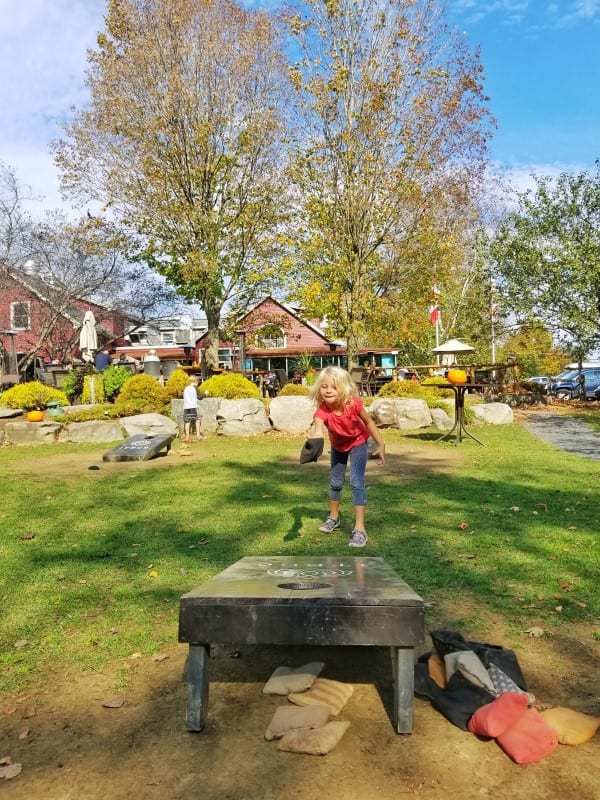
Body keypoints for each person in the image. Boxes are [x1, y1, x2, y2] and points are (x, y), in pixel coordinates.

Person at [309, 366, 385, 548]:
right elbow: (318, 428)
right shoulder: (322, 411)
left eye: (334, 387)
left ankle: (359, 529)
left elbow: (368, 422)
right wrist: (315, 439)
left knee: (356, 482)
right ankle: (334, 518)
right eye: (324, 386)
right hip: (338, 446)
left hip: (358, 442)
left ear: (344, 389)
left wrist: (381, 444)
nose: (328, 390)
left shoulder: (354, 404)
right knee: (336, 482)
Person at [182, 375, 202, 442]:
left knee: (187, 421)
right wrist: (206, 393)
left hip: (186, 406)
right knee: (197, 420)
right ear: (196, 382)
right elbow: (200, 397)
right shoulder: (195, 388)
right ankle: (198, 435)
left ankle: (187, 436)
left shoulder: (186, 388)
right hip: (193, 406)